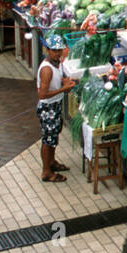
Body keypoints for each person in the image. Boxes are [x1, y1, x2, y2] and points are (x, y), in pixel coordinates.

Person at [36, 34, 78, 183]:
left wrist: (65, 82)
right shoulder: (46, 69)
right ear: (48, 50)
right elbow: (42, 94)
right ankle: (46, 172)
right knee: (48, 139)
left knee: (54, 136)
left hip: (56, 105)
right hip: (48, 107)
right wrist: (63, 89)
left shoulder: (57, 63)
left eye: (59, 50)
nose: (58, 53)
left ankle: (52, 162)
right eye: (54, 50)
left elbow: (58, 80)